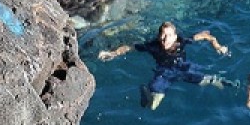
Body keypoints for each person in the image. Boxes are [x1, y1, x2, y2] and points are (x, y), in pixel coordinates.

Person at [98, 21, 234, 110]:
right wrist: (113, 54)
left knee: (212, 81)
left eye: (168, 36)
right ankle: (145, 91)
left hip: (183, 67)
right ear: (158, 37)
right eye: (162, 36)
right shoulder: (153, 46)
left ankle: (232, 88)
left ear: (175, 36)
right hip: (164, 73)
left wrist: (218, 46)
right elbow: (130, 47)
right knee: (152, 106)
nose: (165, 40)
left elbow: (205, 36)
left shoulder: (181, 42)